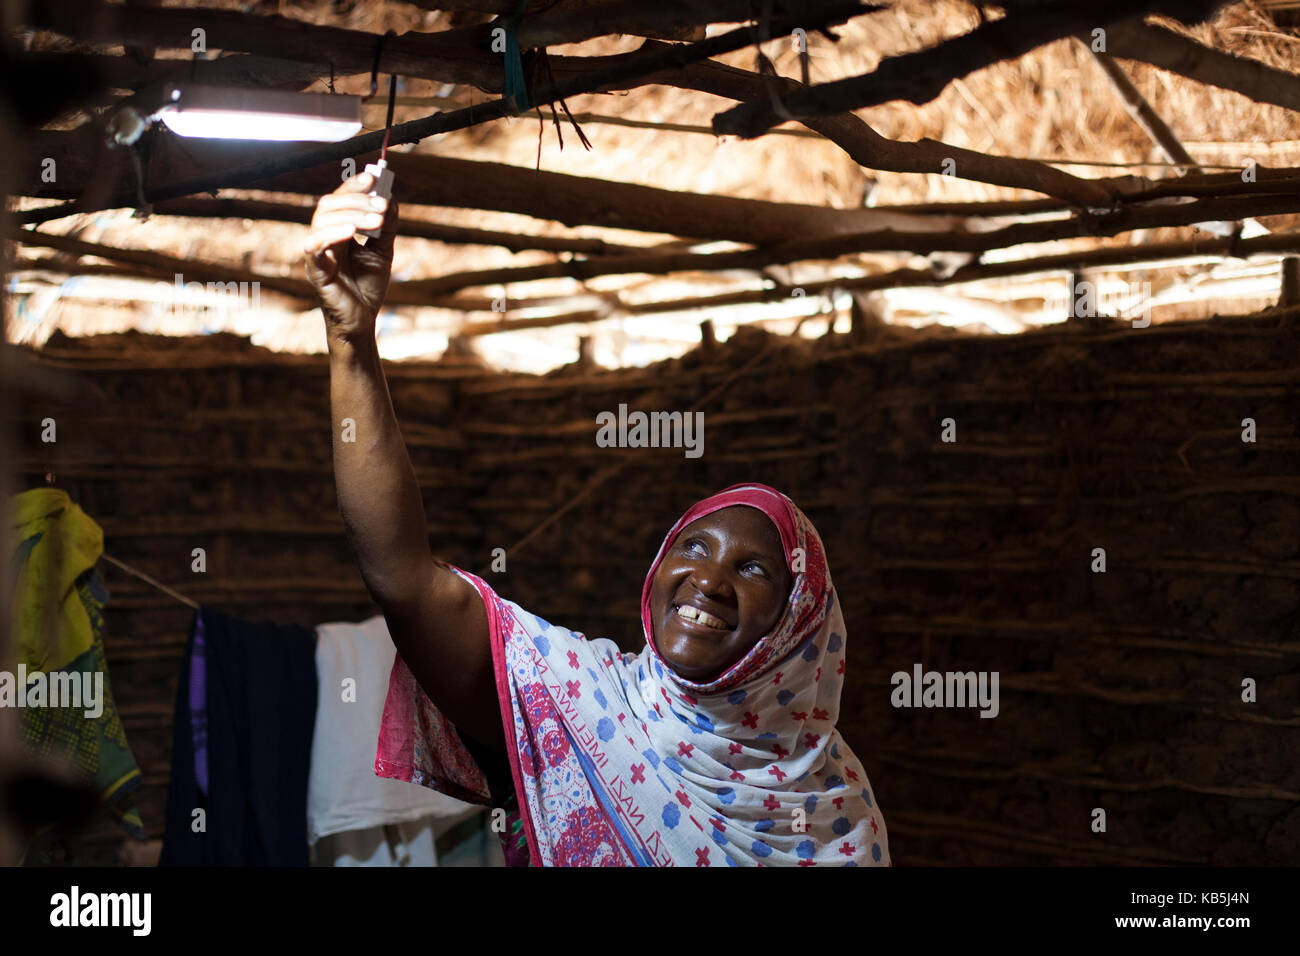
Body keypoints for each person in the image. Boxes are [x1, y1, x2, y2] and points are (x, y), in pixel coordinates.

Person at [303, 173, 891, 867]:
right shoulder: (582, 707)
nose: (707, 579)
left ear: (800, 627)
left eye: (754, 567)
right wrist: (351, 341)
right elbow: (404, 580)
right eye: (693, 546)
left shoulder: (836, 825)